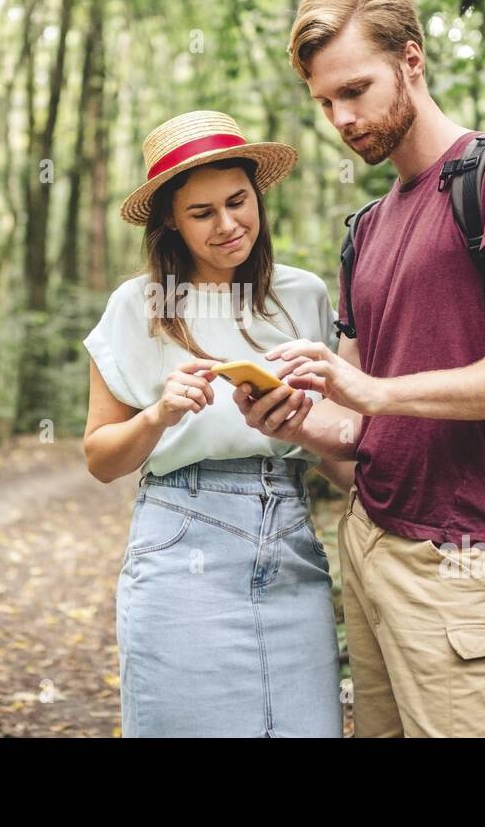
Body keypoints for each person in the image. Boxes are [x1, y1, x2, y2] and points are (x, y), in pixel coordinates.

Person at [234, 0, 485, 737]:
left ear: (411, 60)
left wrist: (378, 394)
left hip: (462, 556)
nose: (341, 118)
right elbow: (357, 429)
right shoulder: (366, 228)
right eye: (325, 102)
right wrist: (294, 419)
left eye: (355, 90)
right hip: (368, 539)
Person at [82, 109, 346, 737]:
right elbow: (101, 459)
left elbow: (342, 451)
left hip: (289, 540)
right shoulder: (137, 306)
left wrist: (305, 428)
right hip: (181, 541)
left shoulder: (304, 295)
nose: (228, 225)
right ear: (171, 220)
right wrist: (158, 415)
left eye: (238, 201)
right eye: (202, 213)